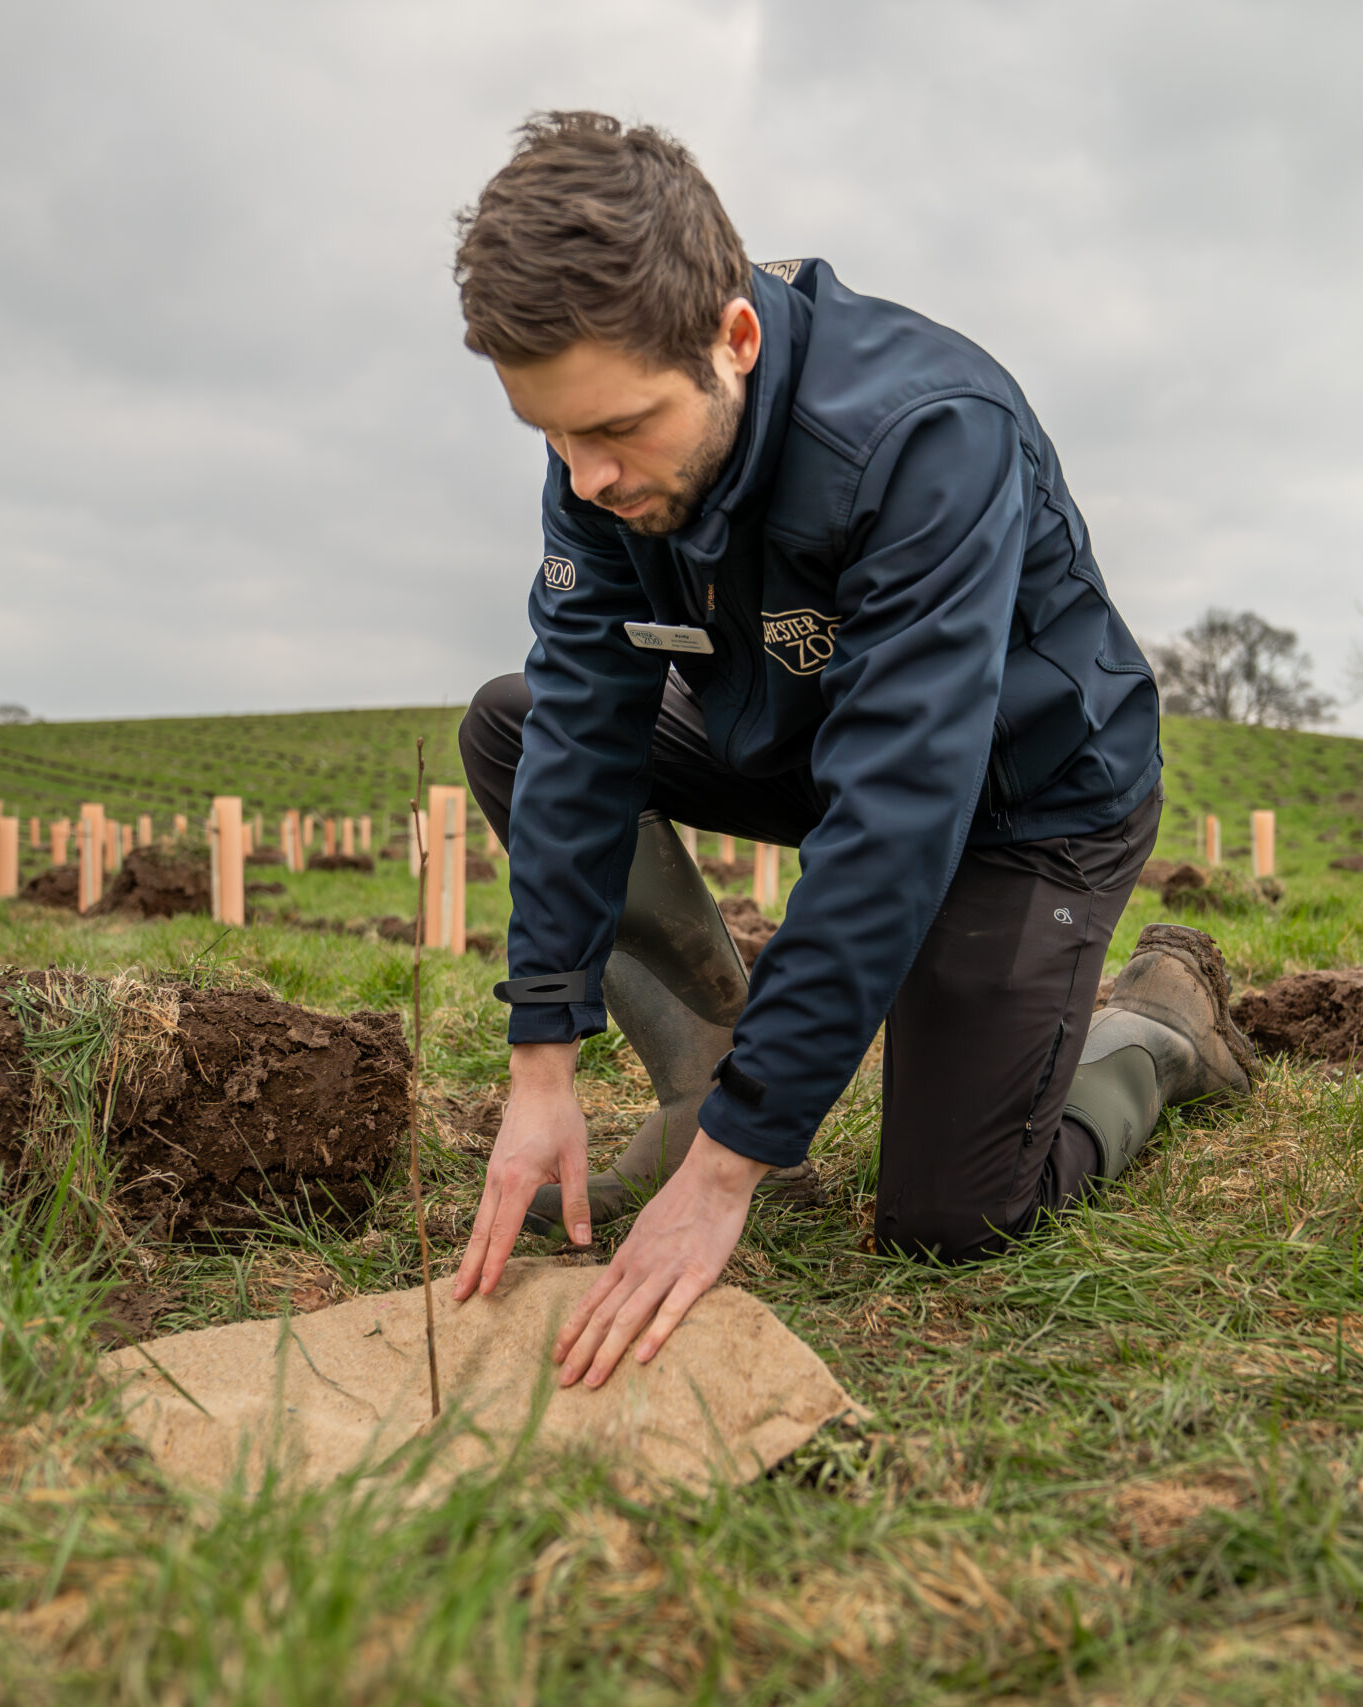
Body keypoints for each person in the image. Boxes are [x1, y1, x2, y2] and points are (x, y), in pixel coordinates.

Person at [446, 112, 1257, 1391]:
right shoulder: (599, 469)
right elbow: (583, 731)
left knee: (954, 1216)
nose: (585, 475)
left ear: (735, 339)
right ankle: (702, 1066)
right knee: (516, 722)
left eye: (616, 429)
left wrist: (729, 1177)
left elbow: (896, 816)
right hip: (803, 734)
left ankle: (1155, 1028)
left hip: (1022, 796)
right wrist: (540, 1060)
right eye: (549, 434)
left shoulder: (927, 435)